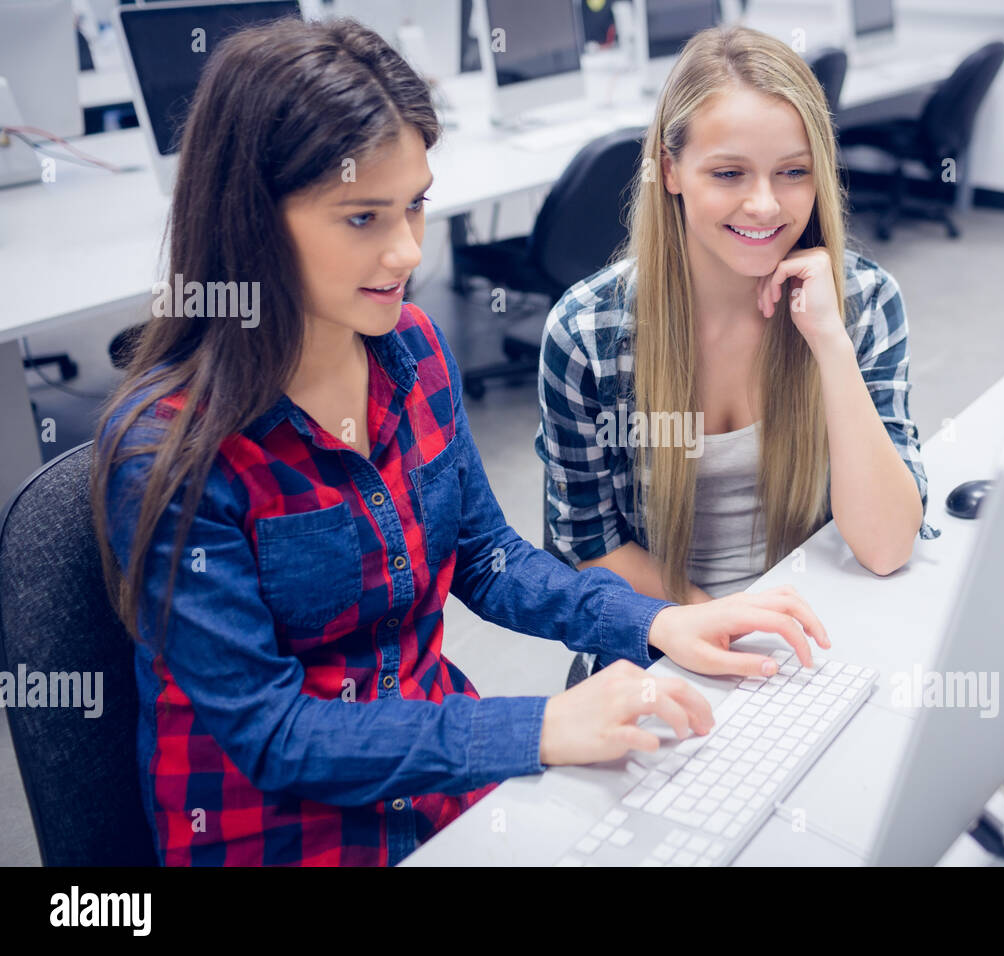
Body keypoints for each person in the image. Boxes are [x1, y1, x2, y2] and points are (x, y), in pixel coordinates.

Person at [90, 17, 828, 867]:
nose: (407, 251)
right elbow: (273, 733)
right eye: (363, 217)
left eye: (415, 206)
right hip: (280, 828)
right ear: (251, 219)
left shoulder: (408, 348)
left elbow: (486, 558)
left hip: (441, 771)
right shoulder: (167, 452)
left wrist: (659, 623)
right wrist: (540, 726)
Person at [537, 25, 939, 615]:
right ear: (669, 172)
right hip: (669, 639)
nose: (765, 205)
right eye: (729, 174)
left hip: (825, 623)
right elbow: (589, 547)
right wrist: (721, 625)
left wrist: (830, 343)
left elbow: (884, 548)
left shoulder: (865, 299)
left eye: (793, 172)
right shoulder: (586, 333)